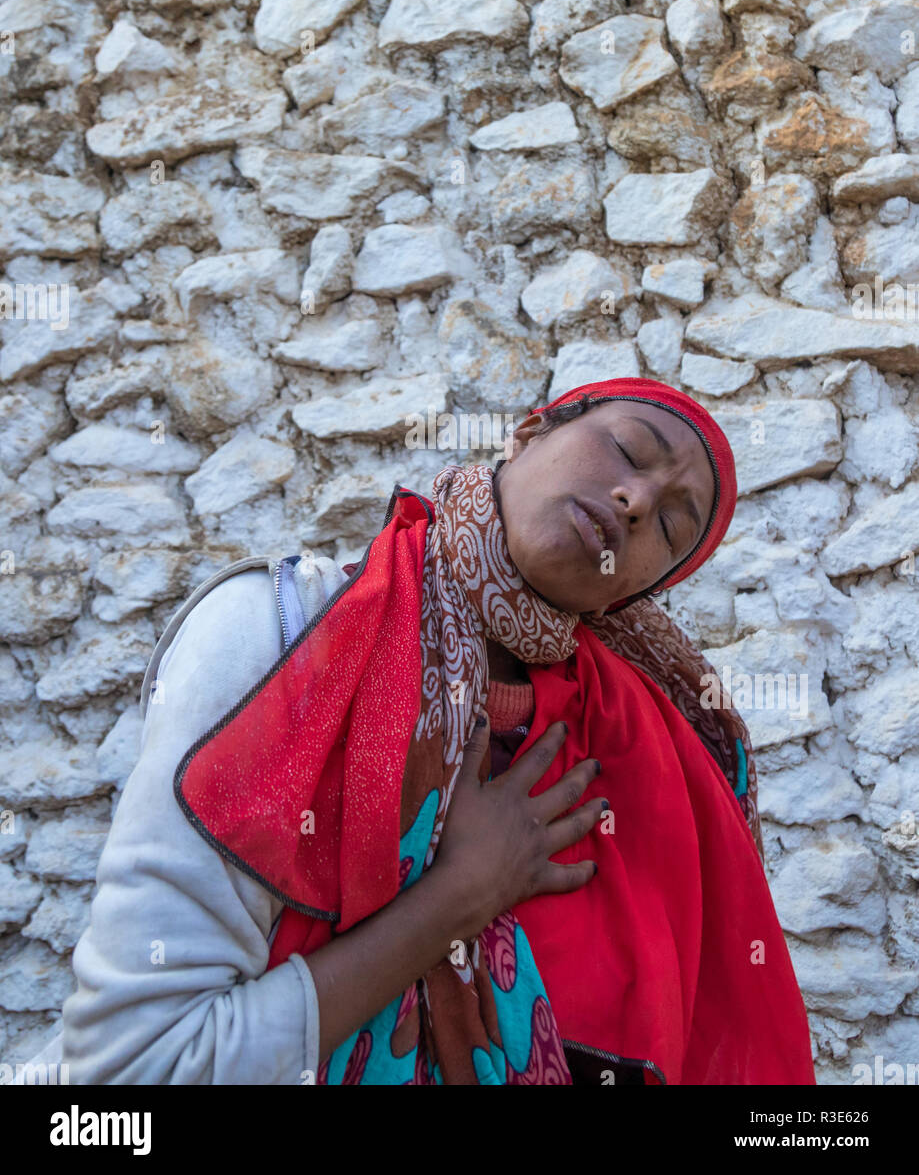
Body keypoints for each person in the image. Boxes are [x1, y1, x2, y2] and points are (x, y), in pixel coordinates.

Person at [39, 376, 814, 1085]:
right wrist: (457, 899)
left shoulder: (633, 767)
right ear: (529, 431)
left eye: (671, 526)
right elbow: (134, 1067)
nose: (636, 500)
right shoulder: (285, 635)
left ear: (638, 593)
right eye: (627, 448)